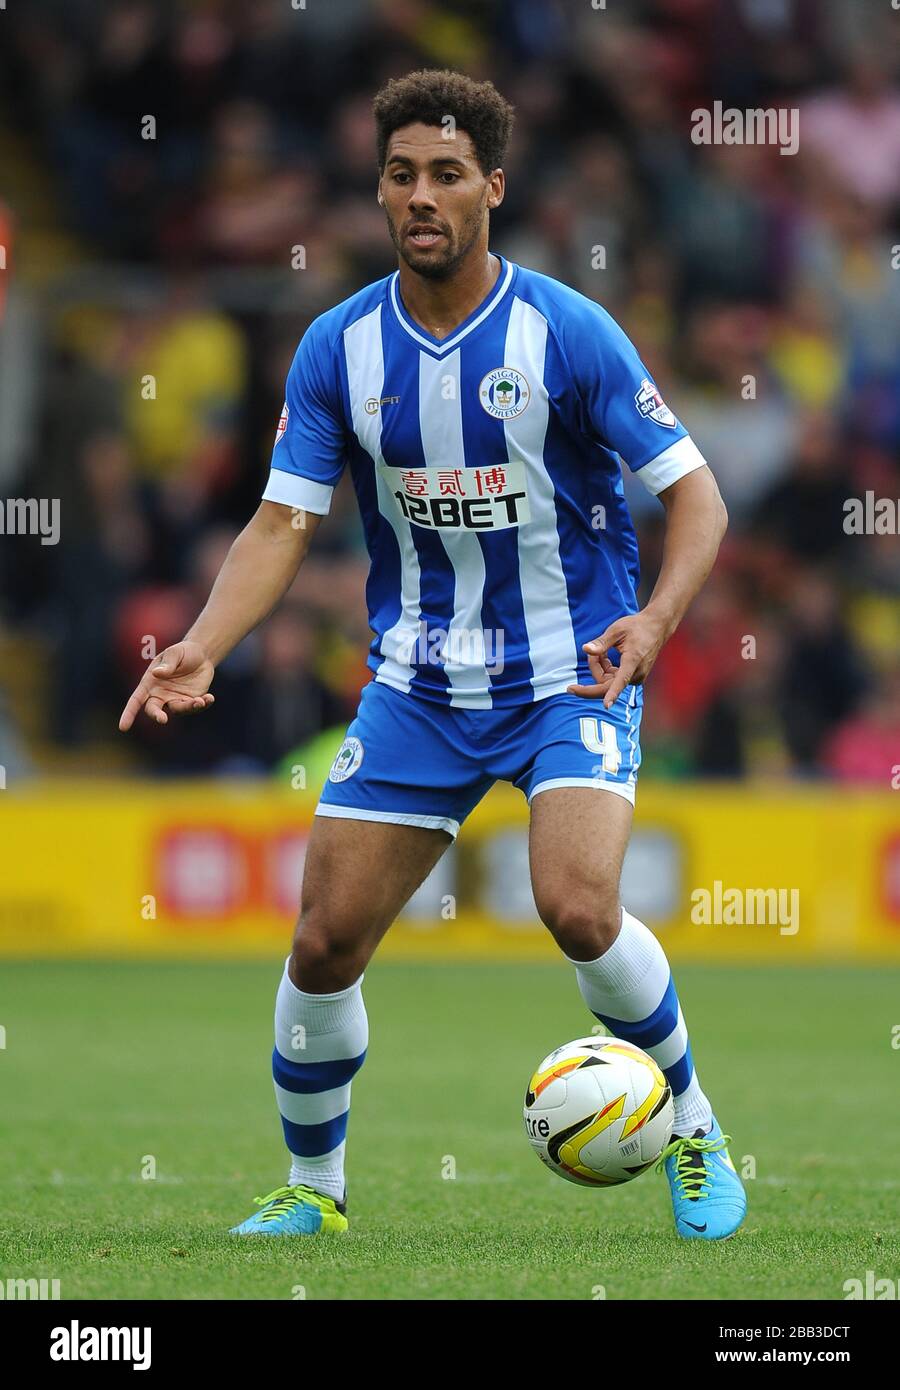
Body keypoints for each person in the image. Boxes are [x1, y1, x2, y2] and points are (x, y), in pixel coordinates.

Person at [119, 69, 745, 1241]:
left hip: (569, 672)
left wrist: (653, 623)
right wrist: (199, 644)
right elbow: (279, 524)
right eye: (401, 173)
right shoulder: (336, 349)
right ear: (379, 188)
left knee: (576, 906)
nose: (421, 194)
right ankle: (318, 1189)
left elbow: (697, 497)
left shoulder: (568, 330)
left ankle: (696, 1125)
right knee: (323, 940)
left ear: (492, 189)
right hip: (417, 684)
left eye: (447, 174)